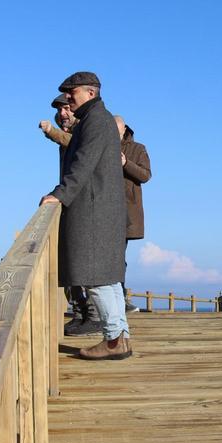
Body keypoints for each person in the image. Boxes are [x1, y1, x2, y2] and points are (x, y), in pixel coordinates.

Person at [41, 72, 131, 360]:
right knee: (108, 278)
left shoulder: (95, 121)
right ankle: (120, 337)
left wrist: (60, 193)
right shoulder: (98, 119)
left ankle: (114, 341)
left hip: (94, 211)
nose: (68, 97)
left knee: (96, 277)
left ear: (90, 93)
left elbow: (83, 164)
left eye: (73, 92)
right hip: (101, 209)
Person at [39, 95, 101, 336]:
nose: (62, 113)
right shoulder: (71, 131)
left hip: (87, 205)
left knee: (85, 261)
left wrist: (51, 132)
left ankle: (93, 317)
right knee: (69, 262)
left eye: (67, 108)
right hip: (72, 202)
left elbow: (71, 143)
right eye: (59, 110)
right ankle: (80, 313)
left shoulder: (85, 130)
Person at [116, 116, 152, 312]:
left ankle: (120, 299)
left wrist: (125, 163)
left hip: (126, 212)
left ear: (124, 130)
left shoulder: (138, 148)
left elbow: (145, 175)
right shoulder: (101, 145)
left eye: (117, 129)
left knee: (118, 257)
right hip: (101, 210)